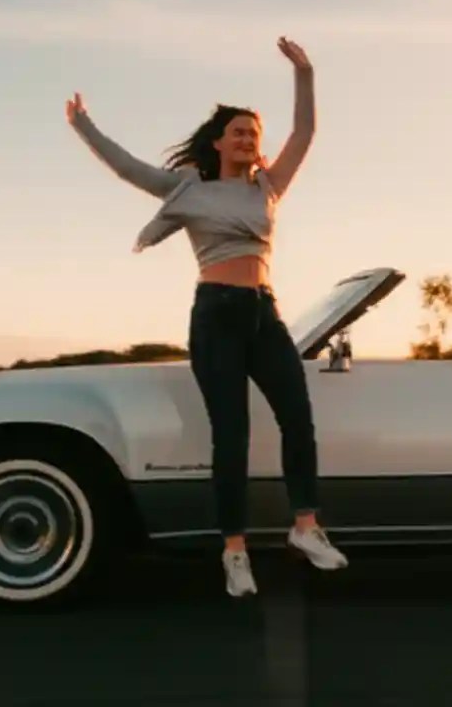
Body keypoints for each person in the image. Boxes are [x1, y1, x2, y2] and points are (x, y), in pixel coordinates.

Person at [65, 36, 347, 597]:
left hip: (264, 313)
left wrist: (306, 73)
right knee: (232, 435)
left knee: (298, 416)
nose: (249, 139)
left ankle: (306, 527)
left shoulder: (269, 187)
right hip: (216, 316)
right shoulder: (186, 189)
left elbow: (306, 133)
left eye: (254, 133)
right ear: (219, 142)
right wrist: (84, 127)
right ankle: (235, 552)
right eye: (239, 131)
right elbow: (126, 167)